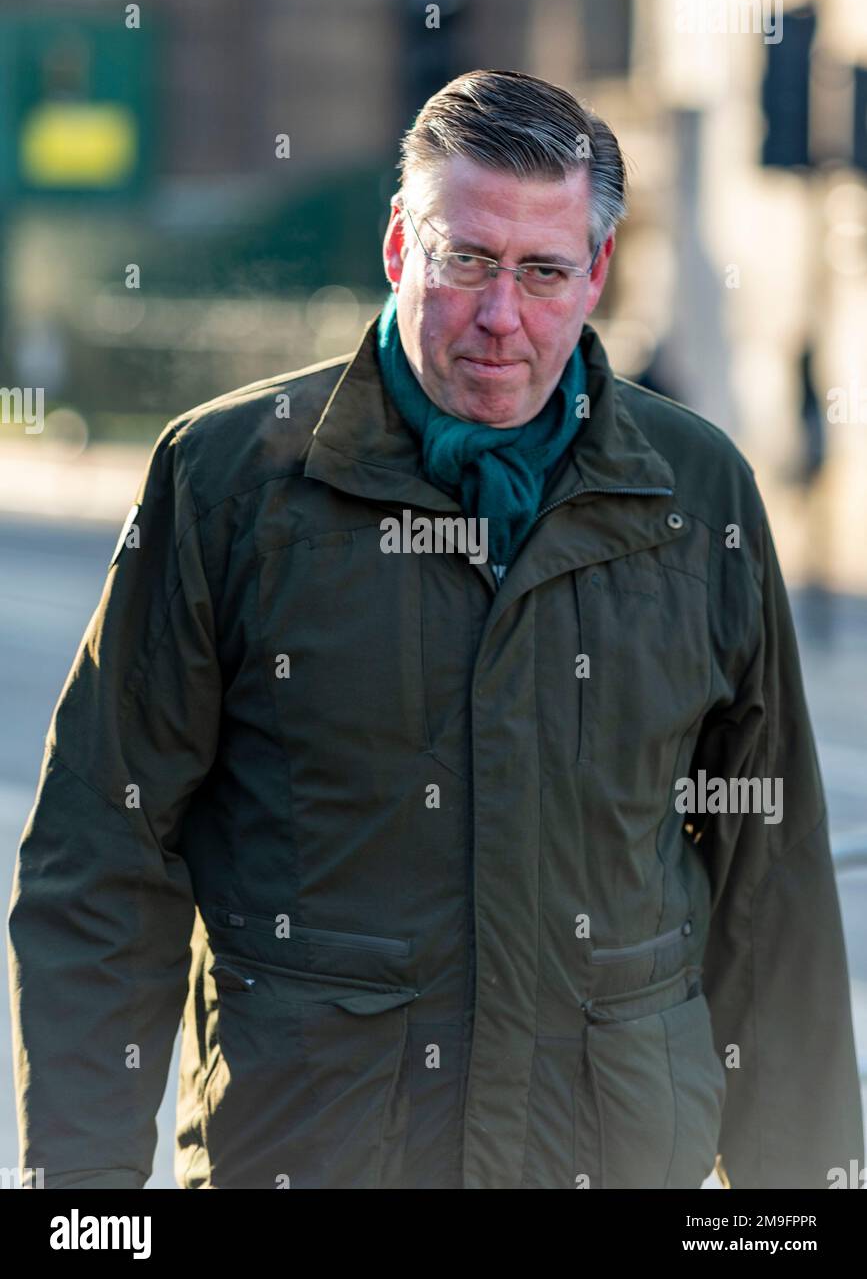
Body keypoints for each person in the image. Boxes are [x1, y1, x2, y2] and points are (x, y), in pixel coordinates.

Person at [7, 69, 863, 1190]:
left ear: (596, 272)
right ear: (400, 246)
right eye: (468, 261)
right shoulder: (226, 482)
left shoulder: (700, 497)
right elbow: (101, 861)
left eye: (544, 272)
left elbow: (773, 890)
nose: (502, 316)